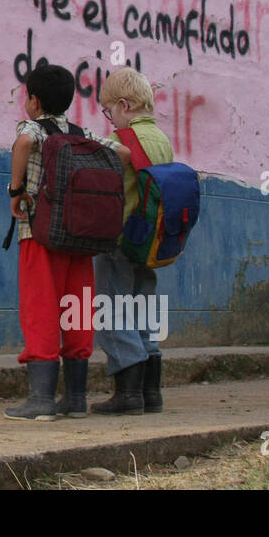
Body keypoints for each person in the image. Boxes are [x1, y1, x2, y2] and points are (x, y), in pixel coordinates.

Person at [4, 62, 125, 420]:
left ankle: (41, 398)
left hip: (40, 234)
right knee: (77, 311)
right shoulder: (80, 132)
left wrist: (17, 190)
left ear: (35, 101)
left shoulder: (33, 128)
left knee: (41, 308)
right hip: (79, 236)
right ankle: (74, 399)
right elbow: (123, 154)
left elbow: (24, 141)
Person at [90, 68, 175, 415]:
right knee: (144, 309)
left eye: (109, 111)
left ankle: (127, 393)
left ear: (123, 105)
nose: (109, 119)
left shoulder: (122, 140)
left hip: (121, 236)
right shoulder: (162, 139)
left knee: (113, 310)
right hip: (152, 241)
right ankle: (150, 392)